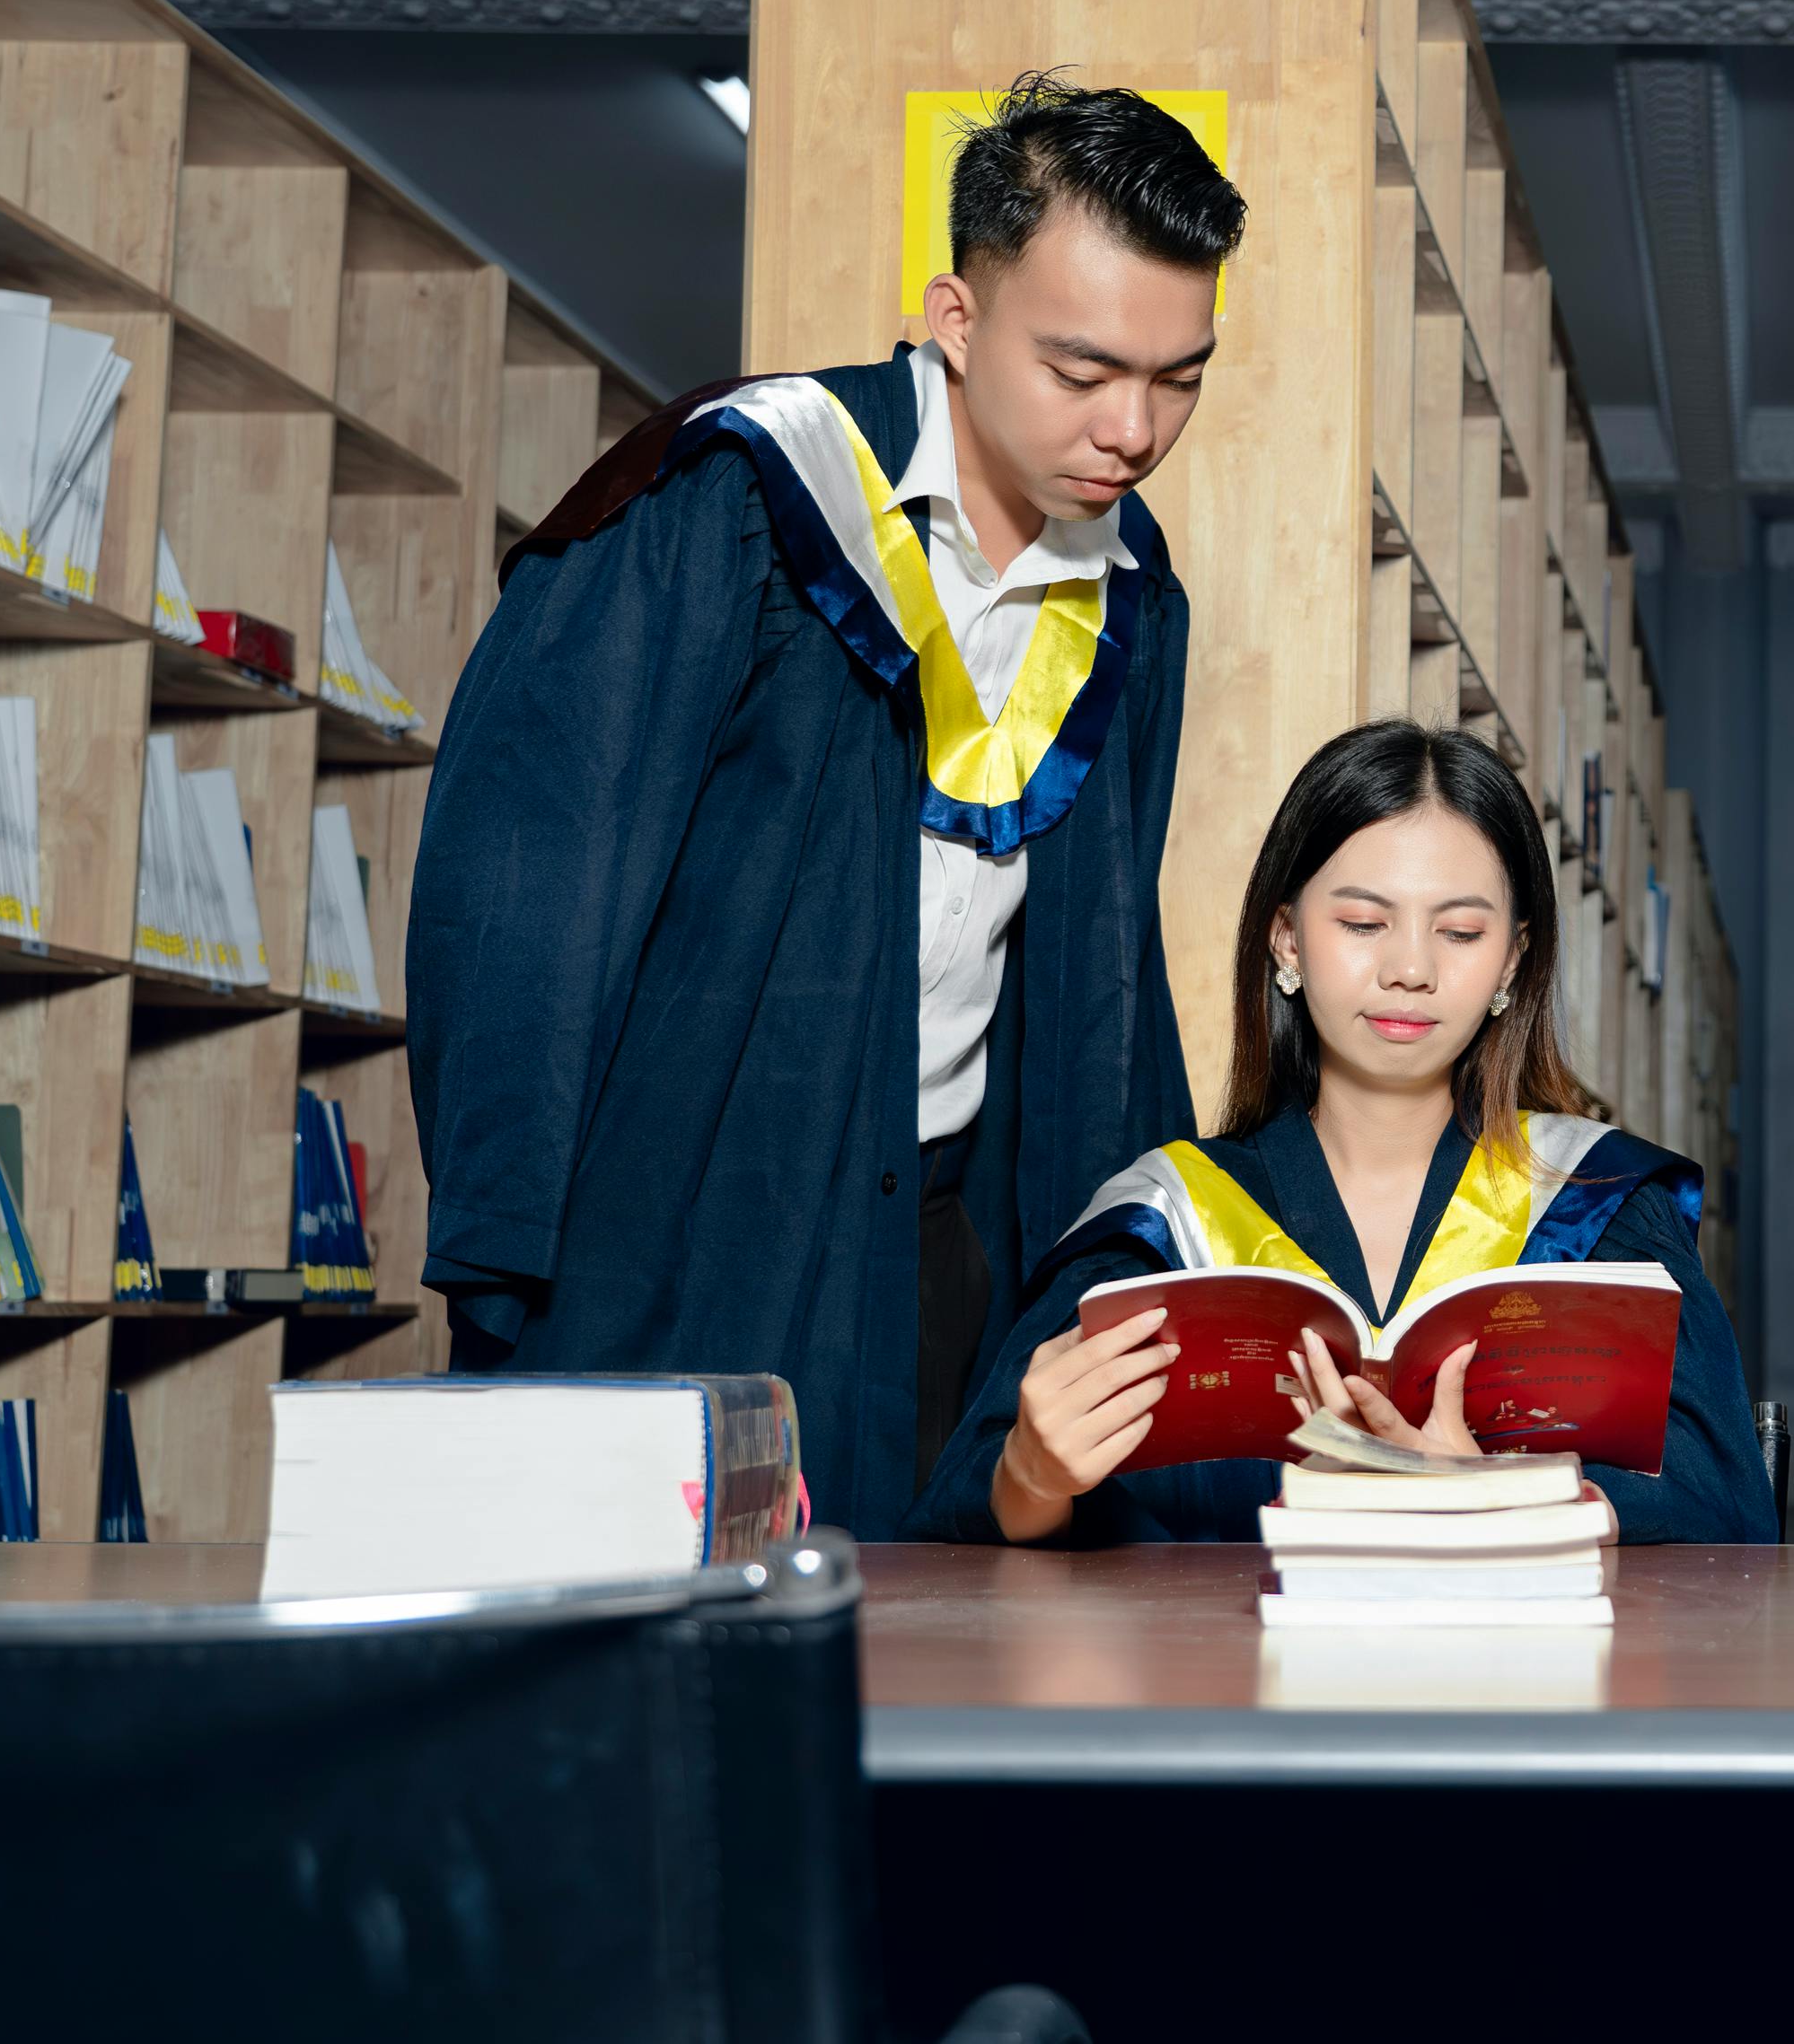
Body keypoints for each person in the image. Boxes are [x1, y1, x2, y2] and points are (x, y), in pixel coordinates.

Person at [409, 75, 1238, 1540]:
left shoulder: (1132, 598)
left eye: (1179, 377)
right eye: (1084, 368)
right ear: (957, 318)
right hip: (685, 1216)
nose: (1133, 427)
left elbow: (1111, 963)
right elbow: (530, 898)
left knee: (936, 1664)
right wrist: (508, 1265)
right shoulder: (732, 502)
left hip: (946, 1234)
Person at [915, 718, 1772, 1545]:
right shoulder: (1161, 1233)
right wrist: (1030, 1476)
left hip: (1516, 1683)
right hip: (1224, 1681)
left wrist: (1499, 1496)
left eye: (1462, 932)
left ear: (1512, 960)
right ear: (1285, 938)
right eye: (1363, 923)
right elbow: (975, 1507)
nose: (1409, 968)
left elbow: (1729, 1509)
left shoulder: (1603, 1214)